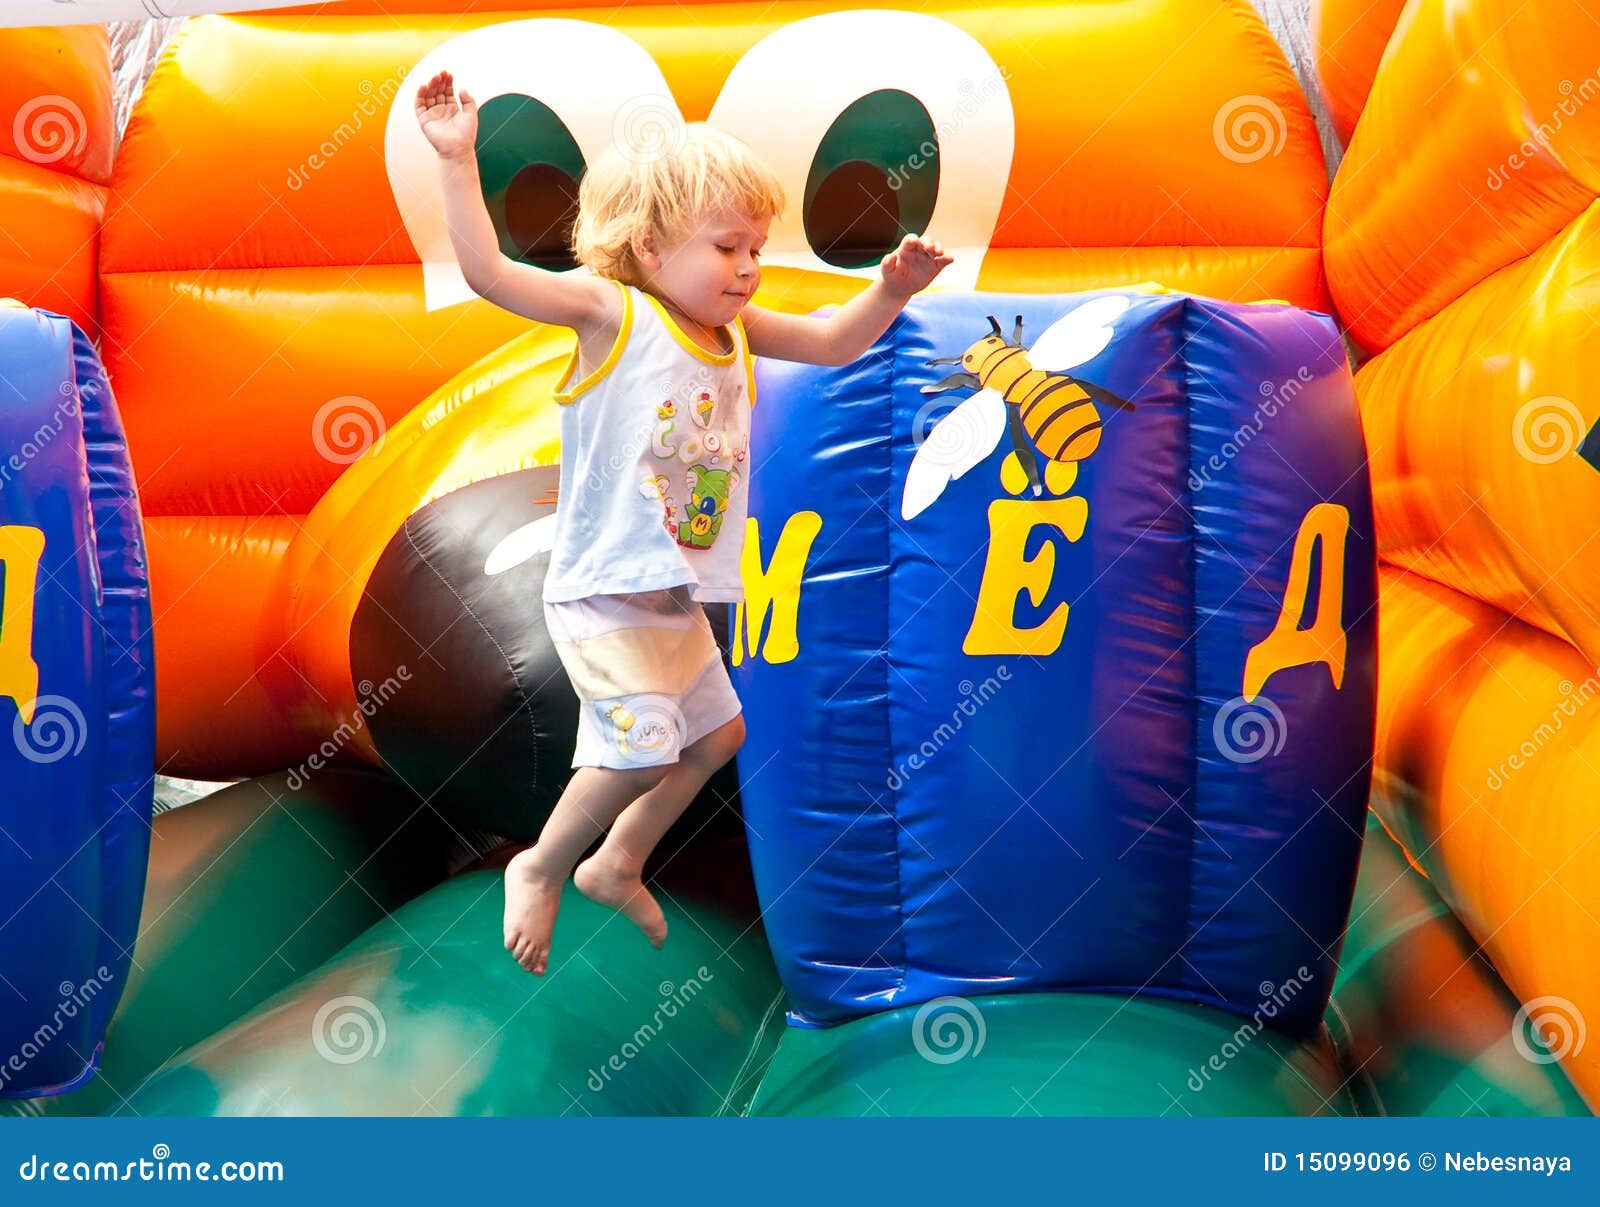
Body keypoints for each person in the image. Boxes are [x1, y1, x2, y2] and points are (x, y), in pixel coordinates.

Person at [415, 69, 953, 975]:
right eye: (728, 246)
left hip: (678, 593)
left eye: (757, 247)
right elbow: (489, 273)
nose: (747, 267)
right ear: (653, 247)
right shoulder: (612, 313)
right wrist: (459, 161)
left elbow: (829, 343)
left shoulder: (734, 330)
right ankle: (542, 865)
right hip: (606, 585)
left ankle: (619, 859)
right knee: (635, 750)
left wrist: (890, 289)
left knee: (717, 737)